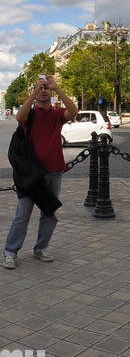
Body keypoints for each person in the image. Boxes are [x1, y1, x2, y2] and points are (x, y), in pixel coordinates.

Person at [6, 74, 73, 270]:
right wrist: (36, 89)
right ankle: (11, 251)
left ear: (51, 93)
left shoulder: (57, 114)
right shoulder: (31, 114)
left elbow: (74, 110)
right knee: (22, 214)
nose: (44, 91)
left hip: (54, 171)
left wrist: (56, 87)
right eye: (40, 88)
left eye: (46, 89)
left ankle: (41, 248)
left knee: (49, 212)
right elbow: (19, 117)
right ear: (35, 93)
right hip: (31, 174)